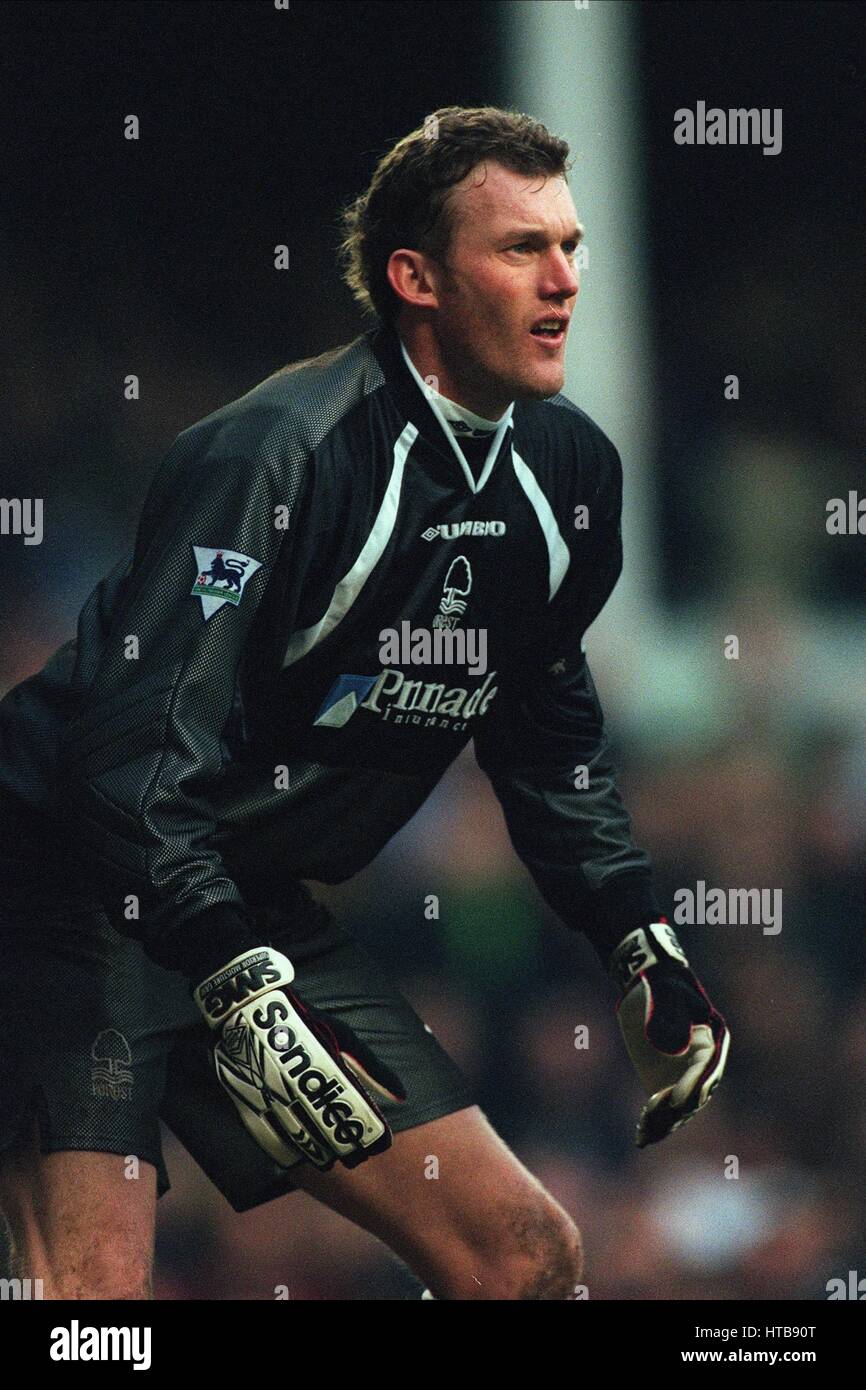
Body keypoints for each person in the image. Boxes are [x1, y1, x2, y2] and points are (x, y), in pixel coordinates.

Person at [0, 105, 728, 1301]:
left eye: (570, 244)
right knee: (91, 1311)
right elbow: (126, 760)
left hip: (245, 904)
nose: (562, 280)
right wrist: (234, 970)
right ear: (414, 279)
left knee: (523, 1260)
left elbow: (546, 745)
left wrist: (632, 933)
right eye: (519, 249)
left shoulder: (570, 476)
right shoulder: (273, 456)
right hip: (71, 886)